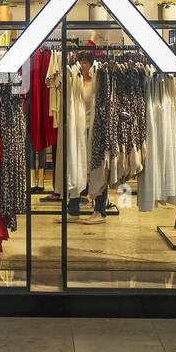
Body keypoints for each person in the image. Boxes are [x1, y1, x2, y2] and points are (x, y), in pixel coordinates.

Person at [69, 49, 108, 225]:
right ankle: (73, 210)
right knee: (77, 167)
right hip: (79, 129)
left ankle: (100, 210)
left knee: (97, 170)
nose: (83, 65)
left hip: (95, 130)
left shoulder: (98, 81)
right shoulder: (75, 80)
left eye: (86, 62)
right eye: (81, 62)